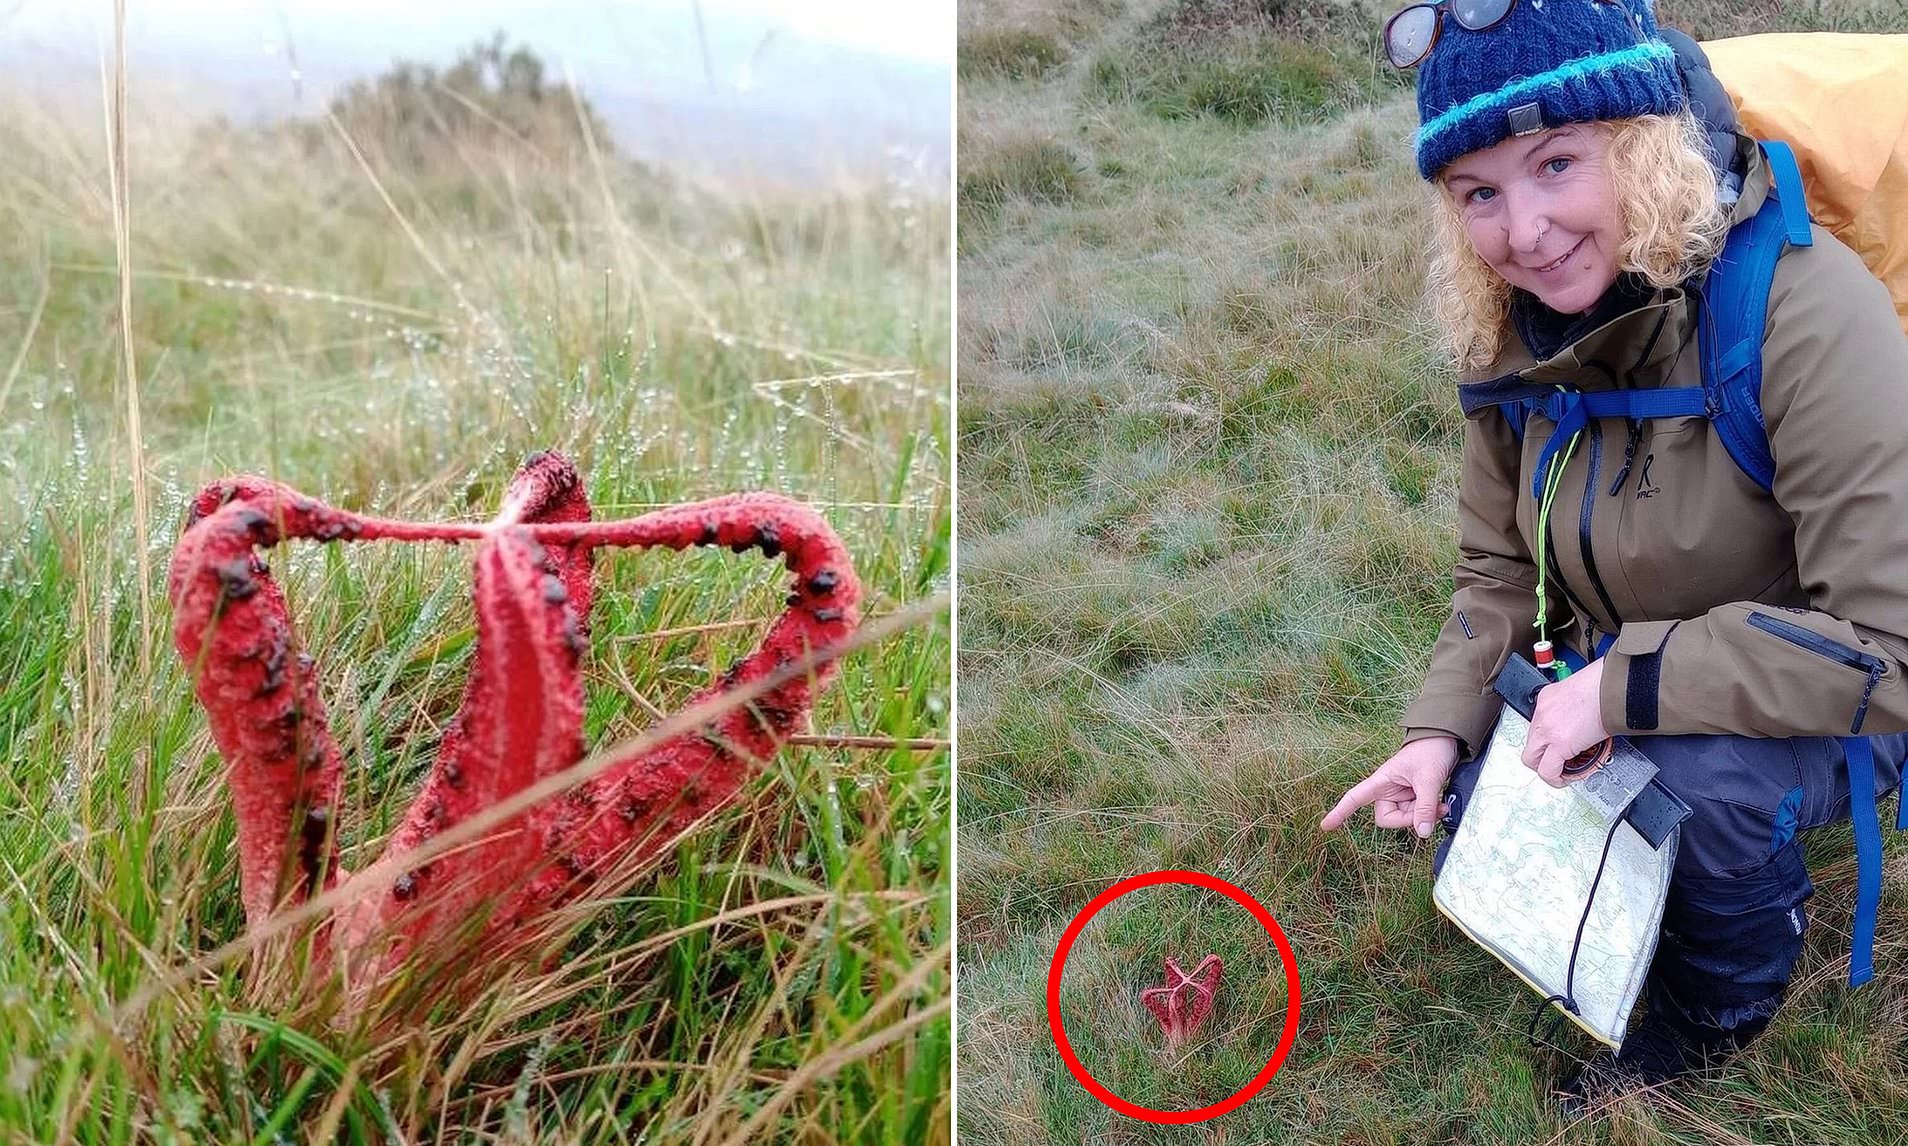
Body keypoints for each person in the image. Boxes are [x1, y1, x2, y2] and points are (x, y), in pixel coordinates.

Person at [1317, 0, 1908, 1116]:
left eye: (1555, 164)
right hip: (1636, 652)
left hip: (1844, 687)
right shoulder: (1517, 328)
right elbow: (1496, 575)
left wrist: (1625, 690)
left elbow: (1890, 647)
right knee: (1483, 795)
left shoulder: (1799, 309)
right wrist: (1437, 732)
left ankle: (1706, 1020)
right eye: (1478, 193)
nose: (1523, 233)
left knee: (1693, 780)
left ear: (1639, 140)